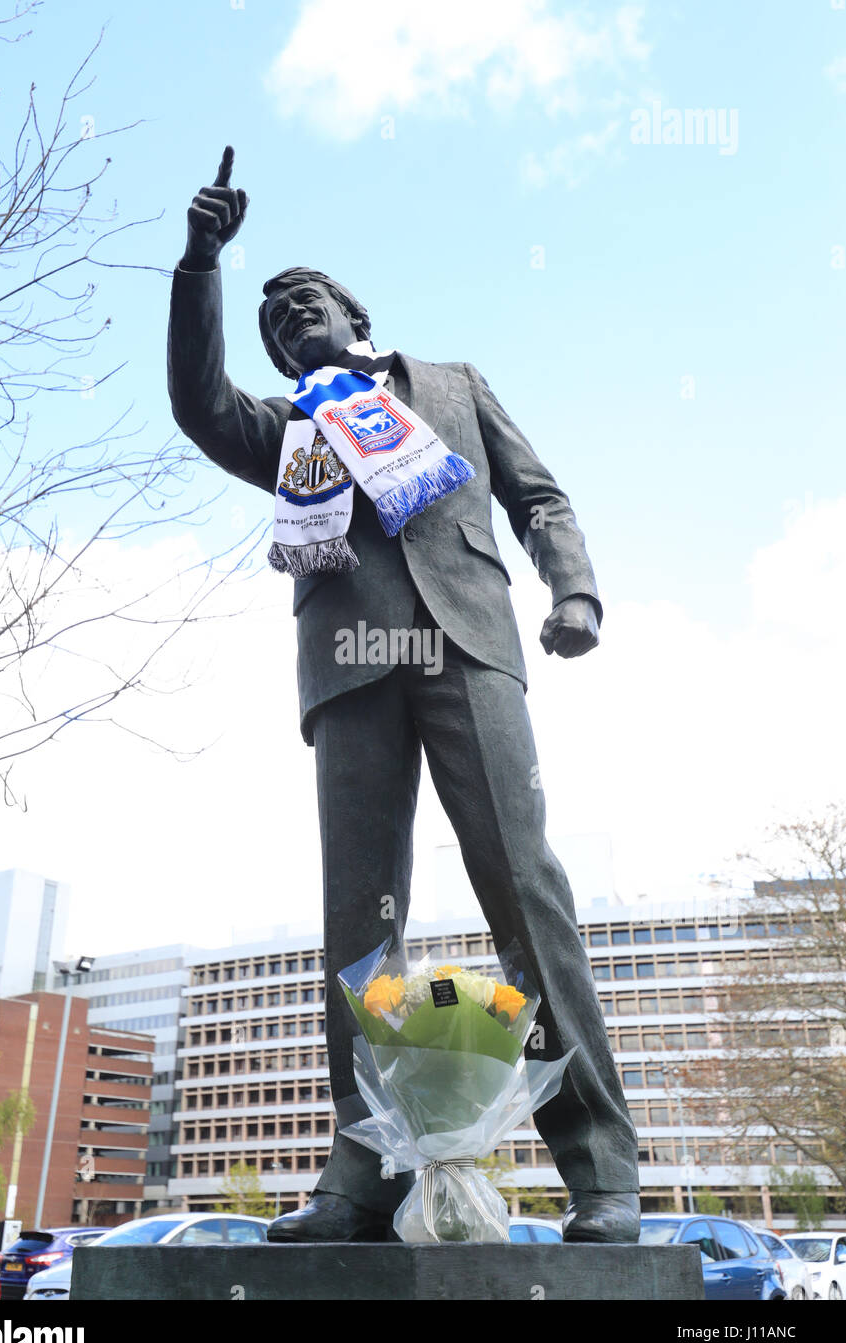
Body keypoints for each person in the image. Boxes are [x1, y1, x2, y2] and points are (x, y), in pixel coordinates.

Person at [167, 148, 640, 1244]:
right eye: (273, 323)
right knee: (359, 922)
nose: (289, 324)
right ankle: (362, 1177)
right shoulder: (288, 433)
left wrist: (575, 589)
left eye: (305, 305)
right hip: (351, 673)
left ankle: (600, 1171)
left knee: (526, 889)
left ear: (353, 310)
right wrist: (204, 268)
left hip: (470, 650)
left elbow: (540, 493)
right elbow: (197, 403)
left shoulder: (455, 387)